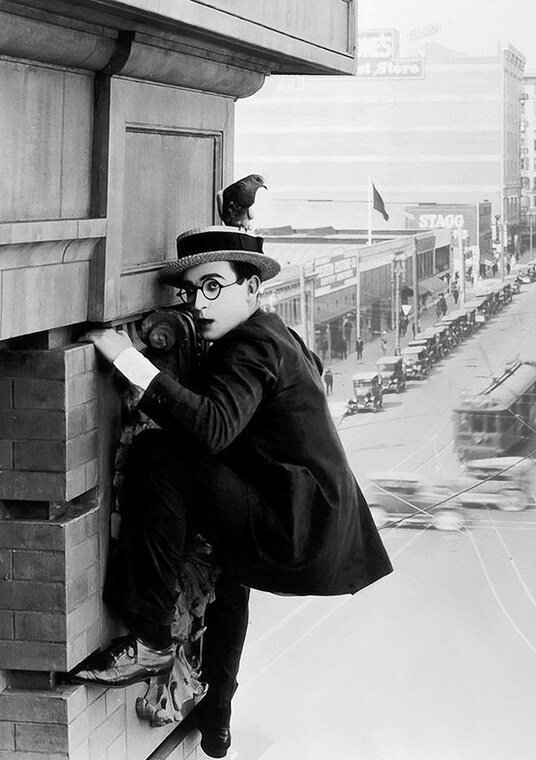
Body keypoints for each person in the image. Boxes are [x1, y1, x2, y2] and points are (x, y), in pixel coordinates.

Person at [76, 226, 393, 757]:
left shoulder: (251, 345)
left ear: (251, 288)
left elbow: (211, 427)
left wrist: (126, 359)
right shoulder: (277, 334)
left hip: (294, 528)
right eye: (192, 291)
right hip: (314, 530)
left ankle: (151, 640)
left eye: (213, 286)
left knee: (159, 457)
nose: (199, 302)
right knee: (227, 564)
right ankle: (216, 711)